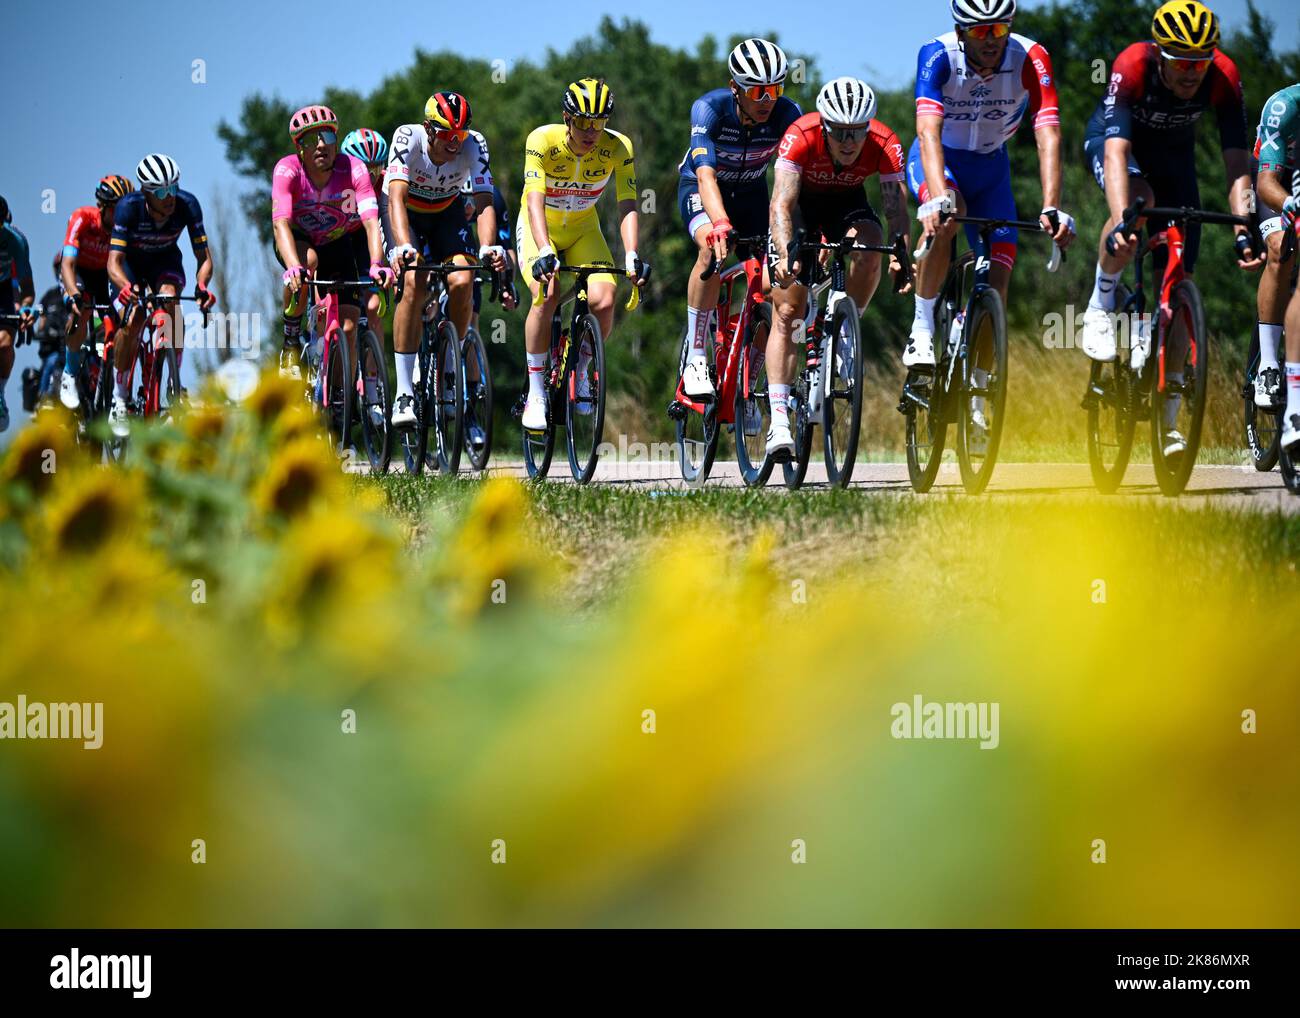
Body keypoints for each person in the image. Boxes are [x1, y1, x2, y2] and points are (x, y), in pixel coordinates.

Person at [909, 0, 1075, 382]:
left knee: (999, 274)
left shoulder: (1031, 57)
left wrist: (1052, 207)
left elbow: (1048, 133)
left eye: (999, 29)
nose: (990, 40)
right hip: (940, 160)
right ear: (960, 32)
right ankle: (921, 327)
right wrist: (937, 198)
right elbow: (927, 132)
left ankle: (980, 387)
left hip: (991, 168)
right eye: (980, 31)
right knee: (949, 214)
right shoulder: (938, 55)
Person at [766, 77, 912, 458]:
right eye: (839, 133)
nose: (849, 142)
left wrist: (901, 254)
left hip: (848, 205)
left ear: (869, 128)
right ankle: (779, 419)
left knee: (871, 246)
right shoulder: (801, 135)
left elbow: (896, 212)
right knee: (788, 309)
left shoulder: (885, 143)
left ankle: (846, 329)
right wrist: (785, 254)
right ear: (824, 127)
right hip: (801, 207)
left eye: (857, 133)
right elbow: (781, 204)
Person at [516, 77, 648, 432]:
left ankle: (584, 367)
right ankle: (536, 392)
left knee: (604, 300)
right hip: (539, 228)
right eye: (584, 122)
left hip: (583, 230)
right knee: (548, 294)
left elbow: (627, 204)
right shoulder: (542, 140)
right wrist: (544, 249)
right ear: (567, 118)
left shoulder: (618, 147)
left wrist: (632, 254)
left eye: (599, 122)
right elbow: (534, 199)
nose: (592, 131)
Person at [678, 39, 803, 399]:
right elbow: (705, 177)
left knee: (775, 285)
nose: (767, 100)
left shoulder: (787, 114)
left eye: (775, 89)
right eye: (757, 91)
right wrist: (718, 223)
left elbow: (796, 178)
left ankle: (751, 372)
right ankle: (697, 355)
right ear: (736, 87)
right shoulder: (710, 109)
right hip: (703, 189)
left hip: (751, 194)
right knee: (710, 247)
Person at [384, 93, 505, 428]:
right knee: (413, 279)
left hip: (446, 212)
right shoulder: (407, 138)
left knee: (464, 278)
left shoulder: (474, 144)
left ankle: (450, 366)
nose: (455, 141)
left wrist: (487, 247)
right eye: (447, 134)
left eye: (460, 134)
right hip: (406, 213)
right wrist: (403, 247)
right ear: (429, 129)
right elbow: (395, 197)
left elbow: (483, 202)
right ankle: (404, 390)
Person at [272, 104, 393, 426]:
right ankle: (291, 339)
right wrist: (292, 267)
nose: (321, 145)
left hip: (338, 240)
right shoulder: (287, 171)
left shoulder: (353, 169)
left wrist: (378, 264)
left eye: (326, 136)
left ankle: (340, 397)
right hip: (300, 239)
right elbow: (281, 223)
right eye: (311, 140)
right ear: (300, 147)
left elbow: (370, 222)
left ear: (335, 139)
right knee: (306, 262)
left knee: (351, 324)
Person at [106, 154, 217, 436]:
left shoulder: (187, 205)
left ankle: (173, 382)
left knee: (170, 300)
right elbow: (114, 263)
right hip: (131, 266)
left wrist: (202, 286)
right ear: (145, 192)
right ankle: (119, 397)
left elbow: (203, 258)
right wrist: (125, 287)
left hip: (165, 261)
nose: (170, 197)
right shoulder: (128, 208)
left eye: (173, 188)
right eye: (161, 191)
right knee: (133, 321)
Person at [1252, 82, 1300, 448]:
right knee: (1280, 248)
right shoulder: (1284, 106)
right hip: (1274, 186)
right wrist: (1291, 208)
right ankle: (1268, 365)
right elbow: (1267, 183)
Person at [59, 174, 132, 409]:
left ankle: (115, 385)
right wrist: (73, 294)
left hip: (104, 276)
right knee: (82, 312)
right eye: (116, 209)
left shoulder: (123, 229)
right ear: (102, 206)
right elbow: (67, 264)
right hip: (79, 274)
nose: (122, 215)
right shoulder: (83, 218)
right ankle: (69, 374)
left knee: (124, 323)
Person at [340, 128, 393, 357]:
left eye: (377, 167)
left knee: (373, 309)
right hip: (339, 241)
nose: (370, 175)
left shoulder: (386, 184)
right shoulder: (337, 182)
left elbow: (389, 228)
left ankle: (373, 385)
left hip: (367, 242)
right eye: (364, 168)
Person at [0, 193, 36, 431]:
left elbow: (27, 290)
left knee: (3, 345)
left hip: (3, 290)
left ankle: (0, 392)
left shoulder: (16, 240)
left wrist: (25, 309)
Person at [35, 255, 71, 403]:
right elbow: (41, 323)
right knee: (51, 362)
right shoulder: (49, 296)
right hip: (54, 348)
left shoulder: (80, 295)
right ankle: (44, 399)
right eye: (59, 269)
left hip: (74, 348)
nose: (62, 273)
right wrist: (44, 332)